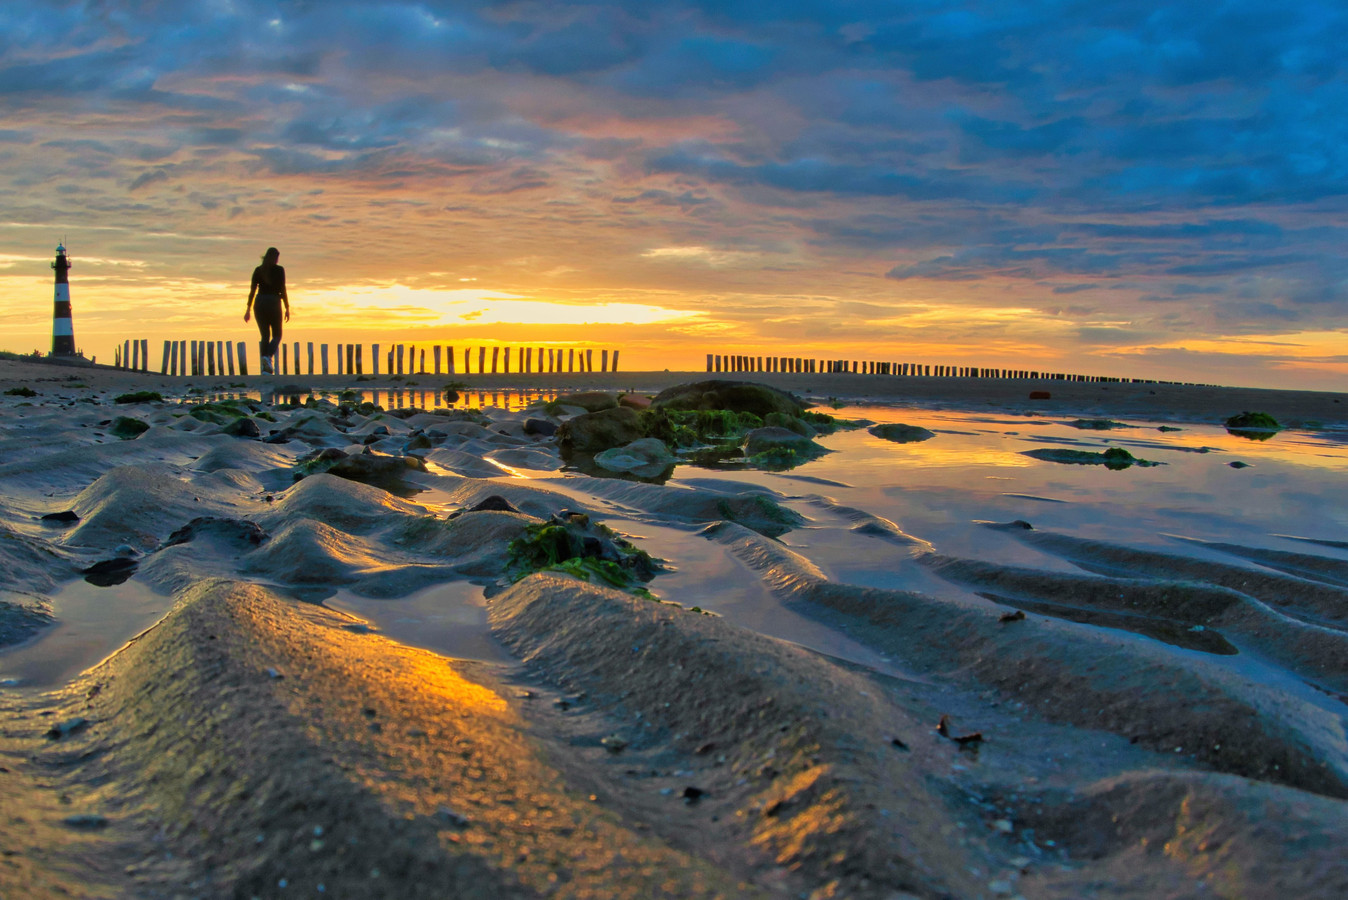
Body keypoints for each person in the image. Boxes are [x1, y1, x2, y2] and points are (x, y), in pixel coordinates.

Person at [244, 247, 290, 374]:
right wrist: (287, 307)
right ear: (274, 258)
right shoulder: (279, 270)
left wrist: (248, 309)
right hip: (273, 302)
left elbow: (252, 291)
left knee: (265, 335)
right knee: (277, 335)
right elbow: (283, 289)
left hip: (259, 303)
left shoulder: (258, 270)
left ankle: (265, 369)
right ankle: (267, 357)